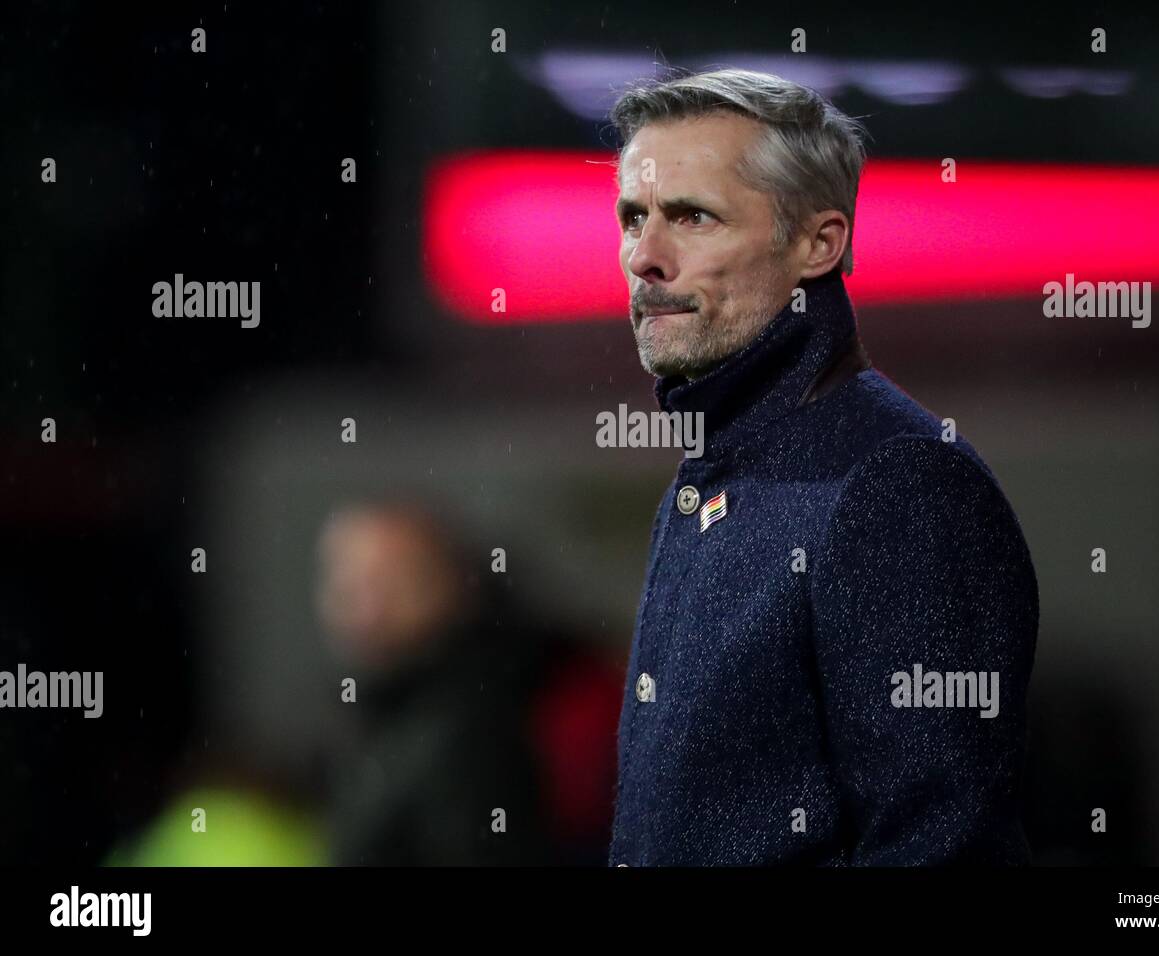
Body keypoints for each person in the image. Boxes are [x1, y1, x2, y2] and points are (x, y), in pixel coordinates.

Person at [607, 69, 1040, 865]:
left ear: (819, 244)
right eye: (633, 218)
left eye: (692, 217)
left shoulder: (897, 484)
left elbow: (943, 849)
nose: (646, 256)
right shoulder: (716, 476)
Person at [316, 501, 621, 865]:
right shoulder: (383, 712)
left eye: (391, 581)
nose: (365, 608)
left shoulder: (473, 721)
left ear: (451, 585)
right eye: (347, 582)